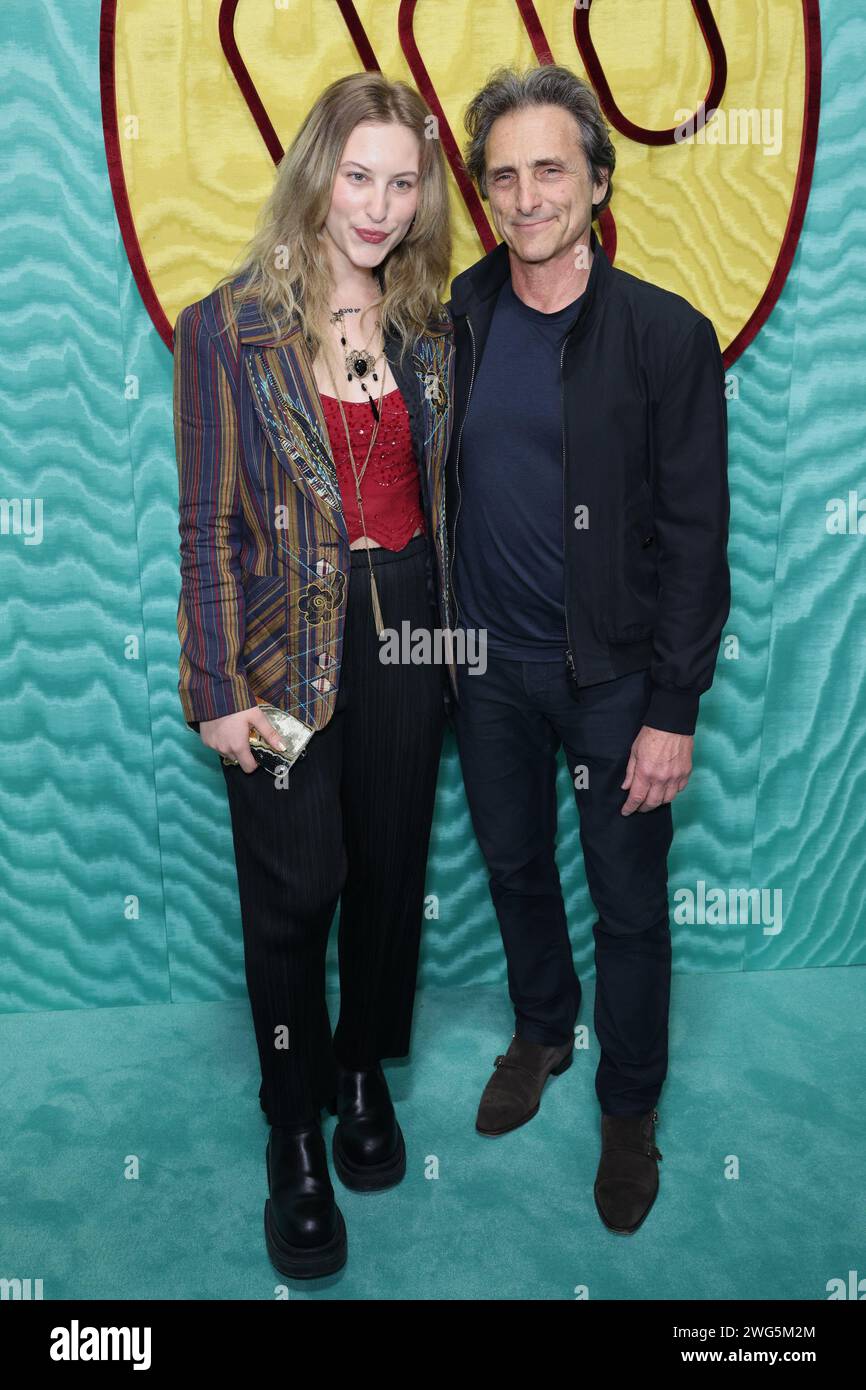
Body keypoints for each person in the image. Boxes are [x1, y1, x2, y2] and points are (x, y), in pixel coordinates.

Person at [172, 72, 456, 1278]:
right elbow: (205, 523)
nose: (379, 206)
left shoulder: (431, 326)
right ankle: (291, 1122)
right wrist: (217, 687)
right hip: (284, 647)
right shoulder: (225, 329)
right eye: (357, 177)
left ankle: (356, 1068)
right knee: (296, 890)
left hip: (410, 637)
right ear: (314, 177)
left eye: (402, 182)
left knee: (388, 876)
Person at [444, 65, 730, 1235]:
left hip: (614, 682)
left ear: (598, 183)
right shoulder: (457, 316)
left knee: (628, 904)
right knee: (513, 867)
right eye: (502, 176)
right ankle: (541, 1030)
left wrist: (672, 707)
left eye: (549, 170)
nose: (525, 197)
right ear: (483, 193)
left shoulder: (665, 336)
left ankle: (627, 1106)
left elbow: (696, 536)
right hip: (483, 670)